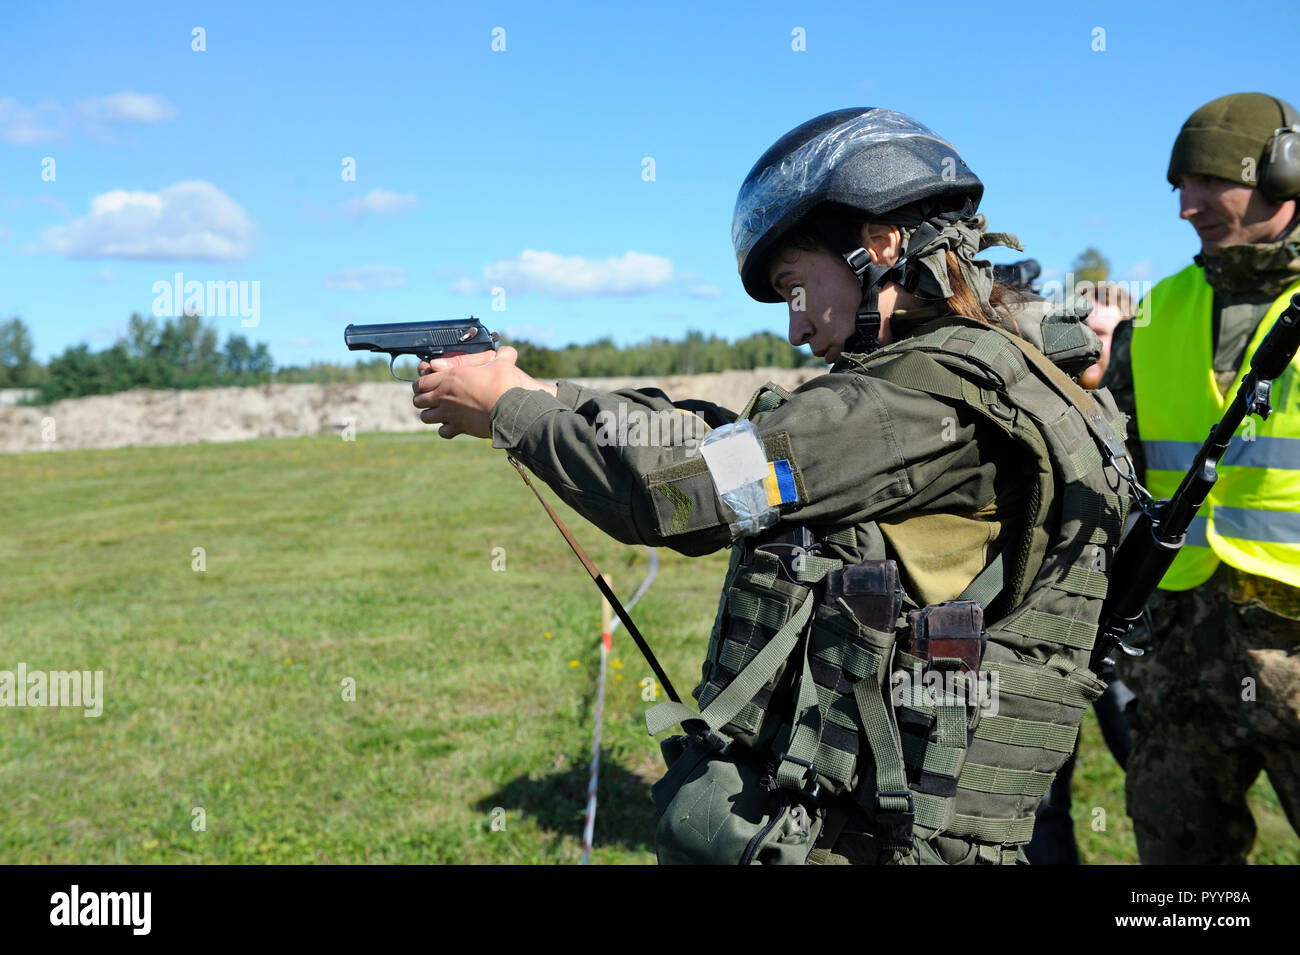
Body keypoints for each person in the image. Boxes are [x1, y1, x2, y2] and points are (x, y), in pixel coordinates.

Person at [413, 108, 1130, 864]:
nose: (794, 328)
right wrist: (544, 391)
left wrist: (508, 411)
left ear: (879, 245)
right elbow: (739, 442)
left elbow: (685, 487)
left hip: (879, 835)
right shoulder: (987, 371)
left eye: (795, 286)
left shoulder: (922, 402)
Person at [1103, 92, 1300, 864]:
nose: (1188, 206)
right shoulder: (1159, 310)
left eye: (1211, 181)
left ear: (1285, 174)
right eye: (1178, 186)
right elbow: (1114, 450)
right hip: (1181, 651)